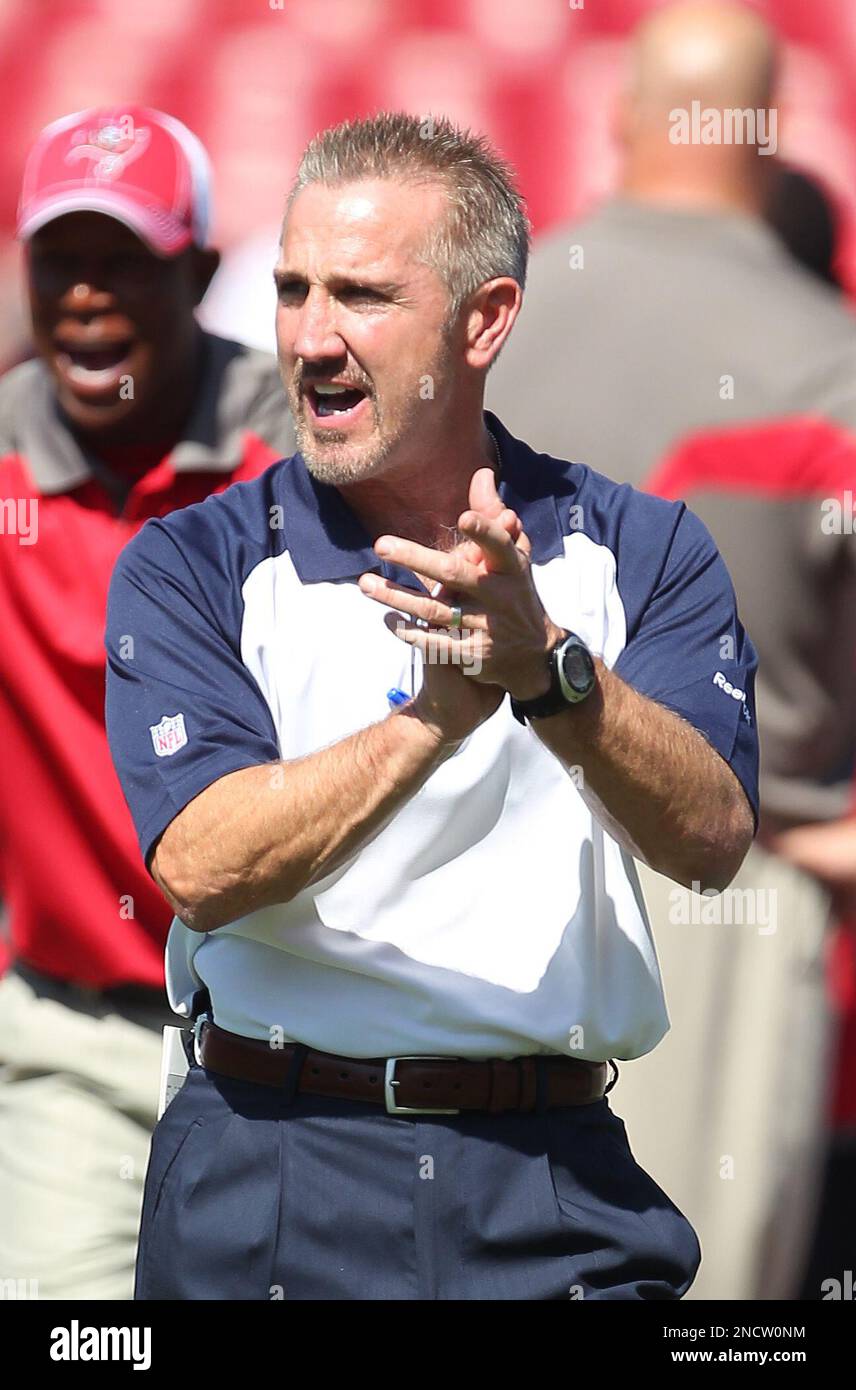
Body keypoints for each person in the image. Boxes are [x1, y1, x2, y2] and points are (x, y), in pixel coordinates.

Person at [105, 111, 757, 1301]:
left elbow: (710, 840)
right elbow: (200, 864)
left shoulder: (642, 547)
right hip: (271, 1161)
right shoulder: (187, 563)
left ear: (485, 319)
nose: (309, 337)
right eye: (293, 287)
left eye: (359, 293)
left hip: (549, 1176)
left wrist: (548, 675)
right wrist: (435, 719)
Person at [488, 0, 856, 1299]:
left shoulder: (481, 321)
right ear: (769, 139)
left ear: (621, 122)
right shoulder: (831, 357)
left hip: (462, 864)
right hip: (728, 901)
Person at [0, 104, 294, 1300]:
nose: (85, 294)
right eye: (59, 261)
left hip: (298, 1038)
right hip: (74, 1043)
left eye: (124, 259)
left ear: (202, 274)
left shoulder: (310, 454)